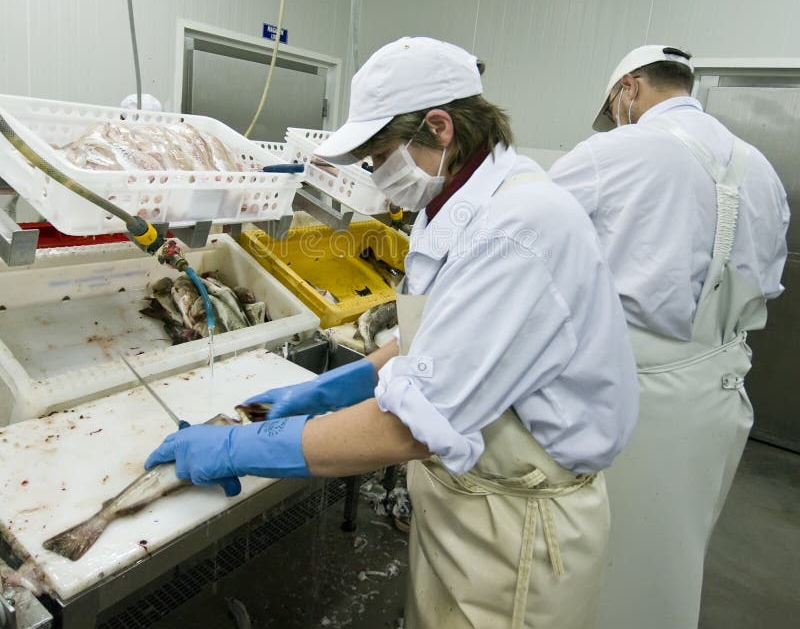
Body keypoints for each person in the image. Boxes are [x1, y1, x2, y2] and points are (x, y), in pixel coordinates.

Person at [146, 36, 639, 628]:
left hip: (518, 530)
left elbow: (411, 427)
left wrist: (238, 447)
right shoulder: (457, 205)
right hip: (471, 502)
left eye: (379, 157)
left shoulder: (520, 226)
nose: (376, 176)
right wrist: (337, 387)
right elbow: (441, 338)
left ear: (439, 128)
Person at [549, 45, 790, 629]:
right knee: (676, 554)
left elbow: (527, 237)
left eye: (614, 105)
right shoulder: (761, 168)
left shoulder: (615, 151)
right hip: (720, 388)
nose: (616, 116)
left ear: (628, 87)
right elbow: (771, 280)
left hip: (633, 391)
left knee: (602, 558)